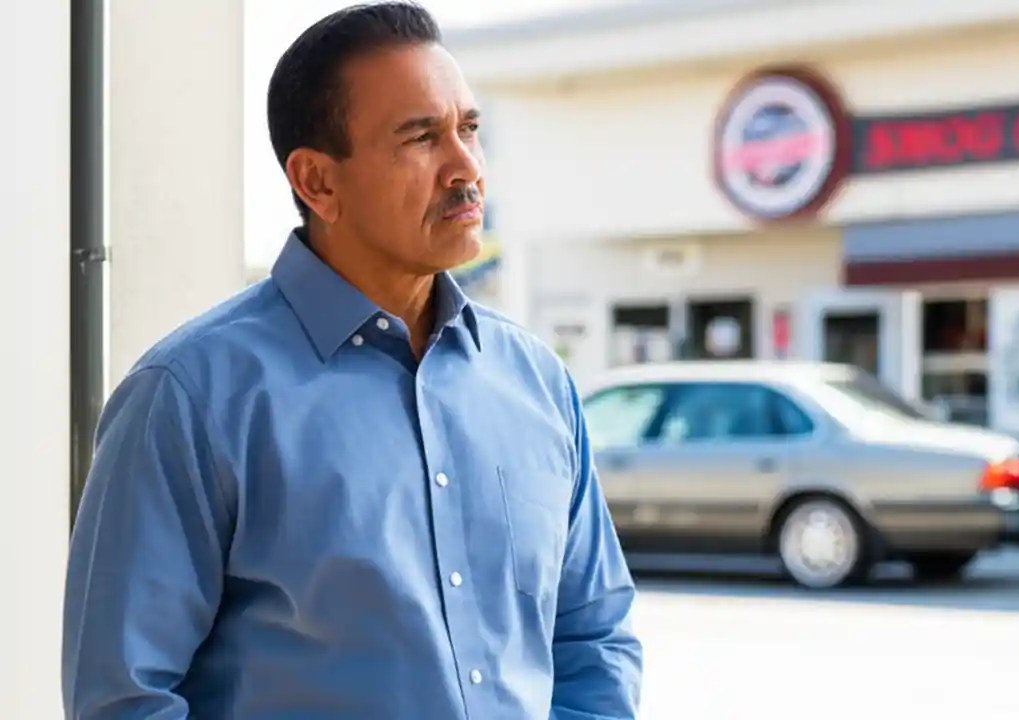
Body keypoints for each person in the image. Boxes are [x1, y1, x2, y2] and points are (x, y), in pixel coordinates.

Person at [61, 3, 642, 718]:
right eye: (421, 137)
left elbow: (593, 638)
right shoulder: (189, 397)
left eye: (468, 128)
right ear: (317, 182)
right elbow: (125, 697)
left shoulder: (537, 384)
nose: (465, 168)